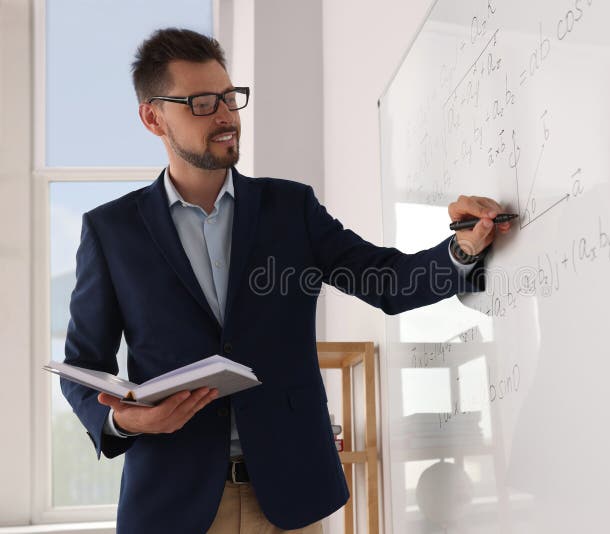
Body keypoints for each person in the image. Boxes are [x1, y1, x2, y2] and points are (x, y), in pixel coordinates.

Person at [60, 27, 510, 533]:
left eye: (230, 98)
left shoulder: (290, 208)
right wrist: (124, 421)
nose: (227, 116)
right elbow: (84, 366)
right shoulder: (110, 230)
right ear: (153, 117)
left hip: (289, 497)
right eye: (203, 103)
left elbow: (387, 281)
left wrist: (462, 249)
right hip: (171, 503)